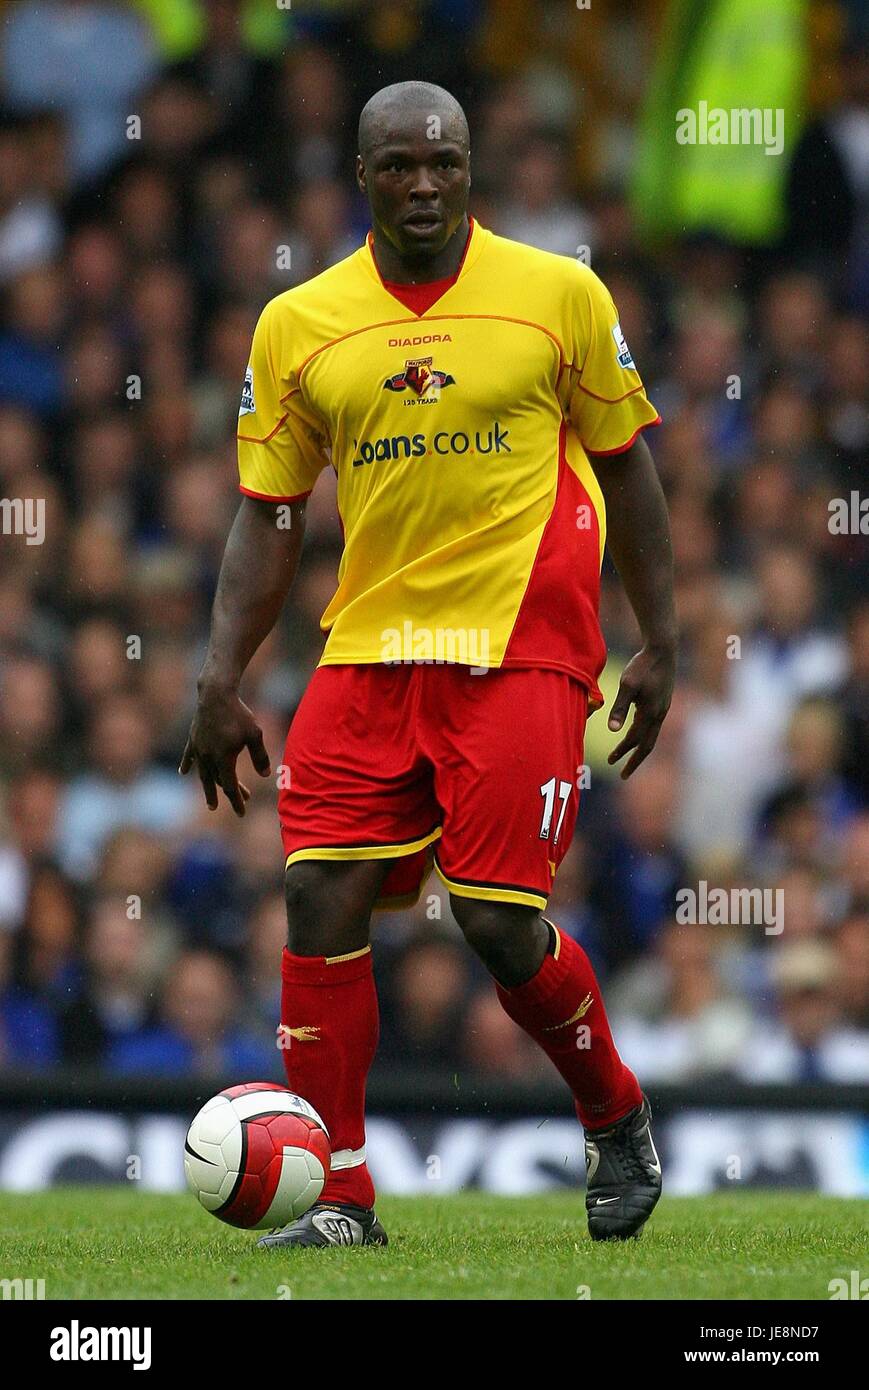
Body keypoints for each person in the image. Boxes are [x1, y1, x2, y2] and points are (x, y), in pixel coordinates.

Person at [181, 81, 676, 1247]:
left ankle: (613, 1113)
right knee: (314, 889)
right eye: (397, 165)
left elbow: (631, 468)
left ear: (469, 173)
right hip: (368, 647)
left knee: (498, 922)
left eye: (442, 164)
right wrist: (216, 674)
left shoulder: (557, 292)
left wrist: (659, 638)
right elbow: (268, 514)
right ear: (360, 175)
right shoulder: (298, 321)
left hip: (519, 647)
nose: (422, 185)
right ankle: (343, 1198)